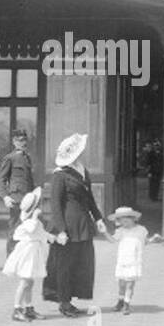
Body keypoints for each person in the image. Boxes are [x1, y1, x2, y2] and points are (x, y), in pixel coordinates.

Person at [42, 132, 108, 316]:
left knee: (81, 263)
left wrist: (99, 218)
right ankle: (63, 302)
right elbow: (55, 204)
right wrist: (61, 230)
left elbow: (89, 198)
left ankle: (70, 299)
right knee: (64, 265)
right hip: (66, 226)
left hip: (82, 224)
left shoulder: (82, 170)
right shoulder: (59, 175)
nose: (81, 154)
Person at [1, 187, 53, 322]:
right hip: (27, 254)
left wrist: (55, 238)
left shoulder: (36, 222)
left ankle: (28, 308)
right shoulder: (28, 222)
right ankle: (16, 309)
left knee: (30, 282)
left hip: (33, 254)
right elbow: (32, 229)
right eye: (38, 204)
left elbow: (41, 233)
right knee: (24, 282)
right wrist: (35, 216)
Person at [103, 206, 160, 314]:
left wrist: (153, 239)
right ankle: (120, 301)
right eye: (121, 220)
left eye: (127, 219)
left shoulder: (141, 230)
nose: (125, 222)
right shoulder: (120, 231)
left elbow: (145, 242)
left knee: (130, 284)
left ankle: (126, 304)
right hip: (123, 260)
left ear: (134, 218)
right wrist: (104, 232)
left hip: (134, 261)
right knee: (121, 284)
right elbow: (112, 240)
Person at [0, 128, 35, 257]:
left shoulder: (27, 158)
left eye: (25, 140)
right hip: (16, 199)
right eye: (20, 140)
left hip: (28, 200)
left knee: (26, 229)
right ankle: (11, 258)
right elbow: (1, 180)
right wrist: (5, 197)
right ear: (14, 142)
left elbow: (30, 180)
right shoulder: (10, 158)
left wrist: (34, 197)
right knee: (15, 228)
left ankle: (22, 257)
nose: (23, 143)